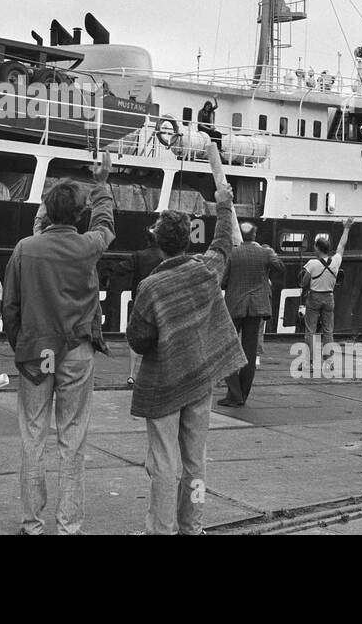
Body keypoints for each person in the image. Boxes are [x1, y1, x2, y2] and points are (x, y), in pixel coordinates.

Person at [127, 148, 246, 535]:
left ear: (159, 244)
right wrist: (224, 206)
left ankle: (161, 529)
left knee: (163, 463)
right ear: (185, 242)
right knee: (195, 460)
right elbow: (224, 243)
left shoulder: (151, 287)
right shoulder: (206, 269)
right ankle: (192, 526)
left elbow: (139, 340)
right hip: (199, 381)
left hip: (164, 386)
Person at [2, 152, 115, 536]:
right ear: (78, 215)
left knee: (32, 437)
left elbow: (11, 306)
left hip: (38, 352)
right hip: (77, 351)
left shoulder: (25, 249)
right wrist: (101, 183)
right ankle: (69, 526)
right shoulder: (88, 246)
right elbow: (105, 222)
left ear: (47, 213)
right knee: (73, 439)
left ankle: (32, 525)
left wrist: (22, 346)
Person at [220, 222, 283, 407]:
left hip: (236, 306)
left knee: (226, 349)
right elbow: (280, 268)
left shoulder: (233, 253)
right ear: (255, 235)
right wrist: (271, 254)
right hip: (256, 307)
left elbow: (223, 282)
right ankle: (242, 395)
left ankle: (234, 393)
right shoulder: (265, 253)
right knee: (249, 351)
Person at [299, 218, 354, 360]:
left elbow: (304, 282)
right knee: (328, 330)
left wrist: (305, 286)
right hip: (329, 297)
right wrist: (346, 228)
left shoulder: (312, 263)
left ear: (317, 248)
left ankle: (310, 361)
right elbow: (342, 245)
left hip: (314, 298)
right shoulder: (335, 261)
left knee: (310, 330)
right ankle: (329, 359)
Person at [125, 230, 164, 388]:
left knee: (135, 337)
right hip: (160, 302)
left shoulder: (139, 255)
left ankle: (131, 375)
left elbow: (121, 268)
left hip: (140, 301)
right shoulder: (164, 257)